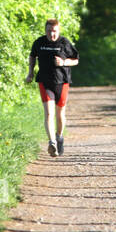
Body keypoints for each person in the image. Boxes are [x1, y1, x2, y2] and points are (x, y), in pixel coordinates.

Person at [25, 19, 79, 157]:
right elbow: (32, 56)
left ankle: (59, 137)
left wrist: (64, 62)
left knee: (60, 115)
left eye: (54, 31)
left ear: (58, 30)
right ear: (45, 30)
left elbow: (76, 60)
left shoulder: (64, 43)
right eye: (49, 31)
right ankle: (52, 142)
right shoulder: (39, 42)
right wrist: (30, 73)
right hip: (44, 81)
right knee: (49, 113)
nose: (52, 34)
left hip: (62, 82)